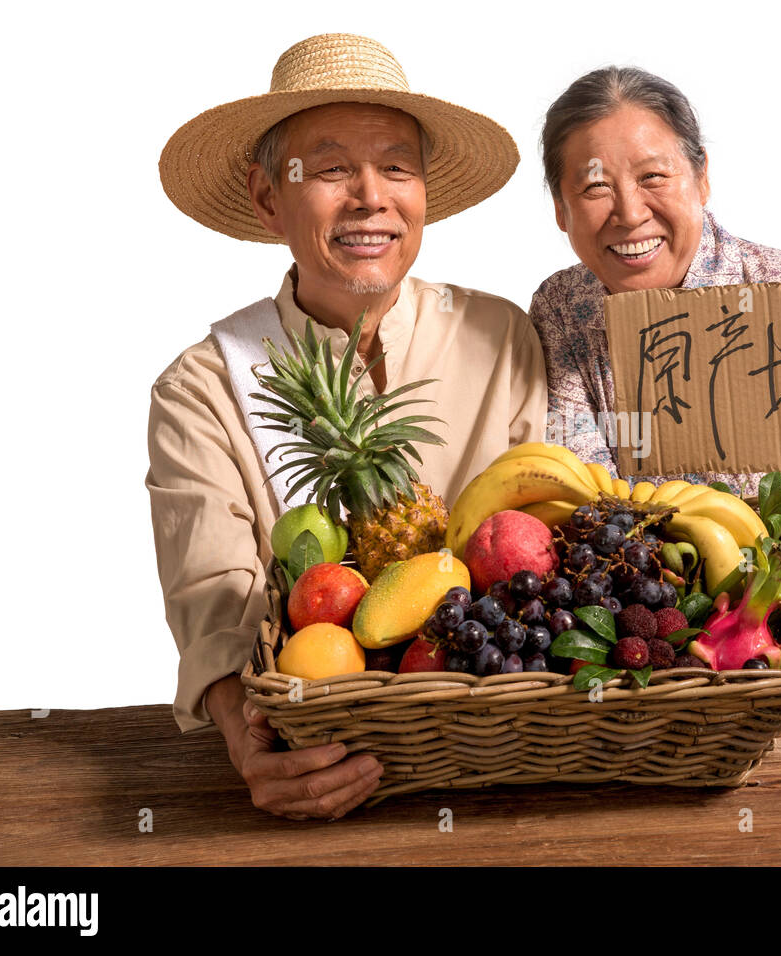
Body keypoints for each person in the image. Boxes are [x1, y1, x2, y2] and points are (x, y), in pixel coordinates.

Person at [147, 34, 547, 819]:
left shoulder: (502, 338)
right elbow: (215, 602)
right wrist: (244, 738)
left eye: (398, 167)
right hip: (319, 746)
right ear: (269, 199)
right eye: (330, 169)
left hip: (512, 761)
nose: (372, 196)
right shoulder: (205, 387)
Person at [530, 67, 781, 680]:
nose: (630, 211)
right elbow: (583, 498)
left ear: (702, 177)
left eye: (653, 177)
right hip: (661, 677)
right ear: (560, 209)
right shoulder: (565, 310)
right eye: (594, 187)